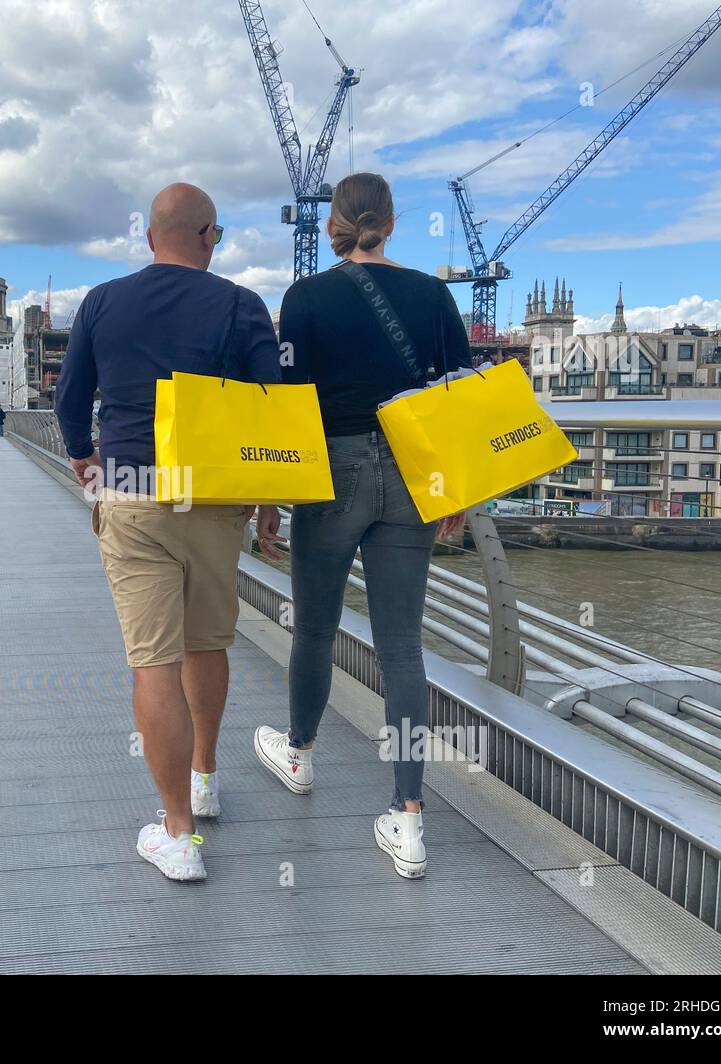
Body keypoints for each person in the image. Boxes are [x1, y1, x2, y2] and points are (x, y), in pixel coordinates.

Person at [55, 182, 283, 882]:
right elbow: (268, 407)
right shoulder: (242, 305)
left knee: (153, 660)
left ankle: (178, 833)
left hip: (130, 493)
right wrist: (268, 496)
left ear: (150, 237)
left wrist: (85, 460)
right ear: (209, 237)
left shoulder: (102, 301)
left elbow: (70, 399)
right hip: (213, 498)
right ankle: (206, 776)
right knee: (208, 642)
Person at [252, 173, 470, 880]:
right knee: (402, 647)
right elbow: (458, 395)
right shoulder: (434, 295)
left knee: (315, 626)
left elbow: (290, 407)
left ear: (335, 224)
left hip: (333, 471)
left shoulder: (306, 297)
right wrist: (455, 491)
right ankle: (409, 819)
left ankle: (300, 754)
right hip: (412, 472)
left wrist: (270, 495)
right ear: (393, 222)